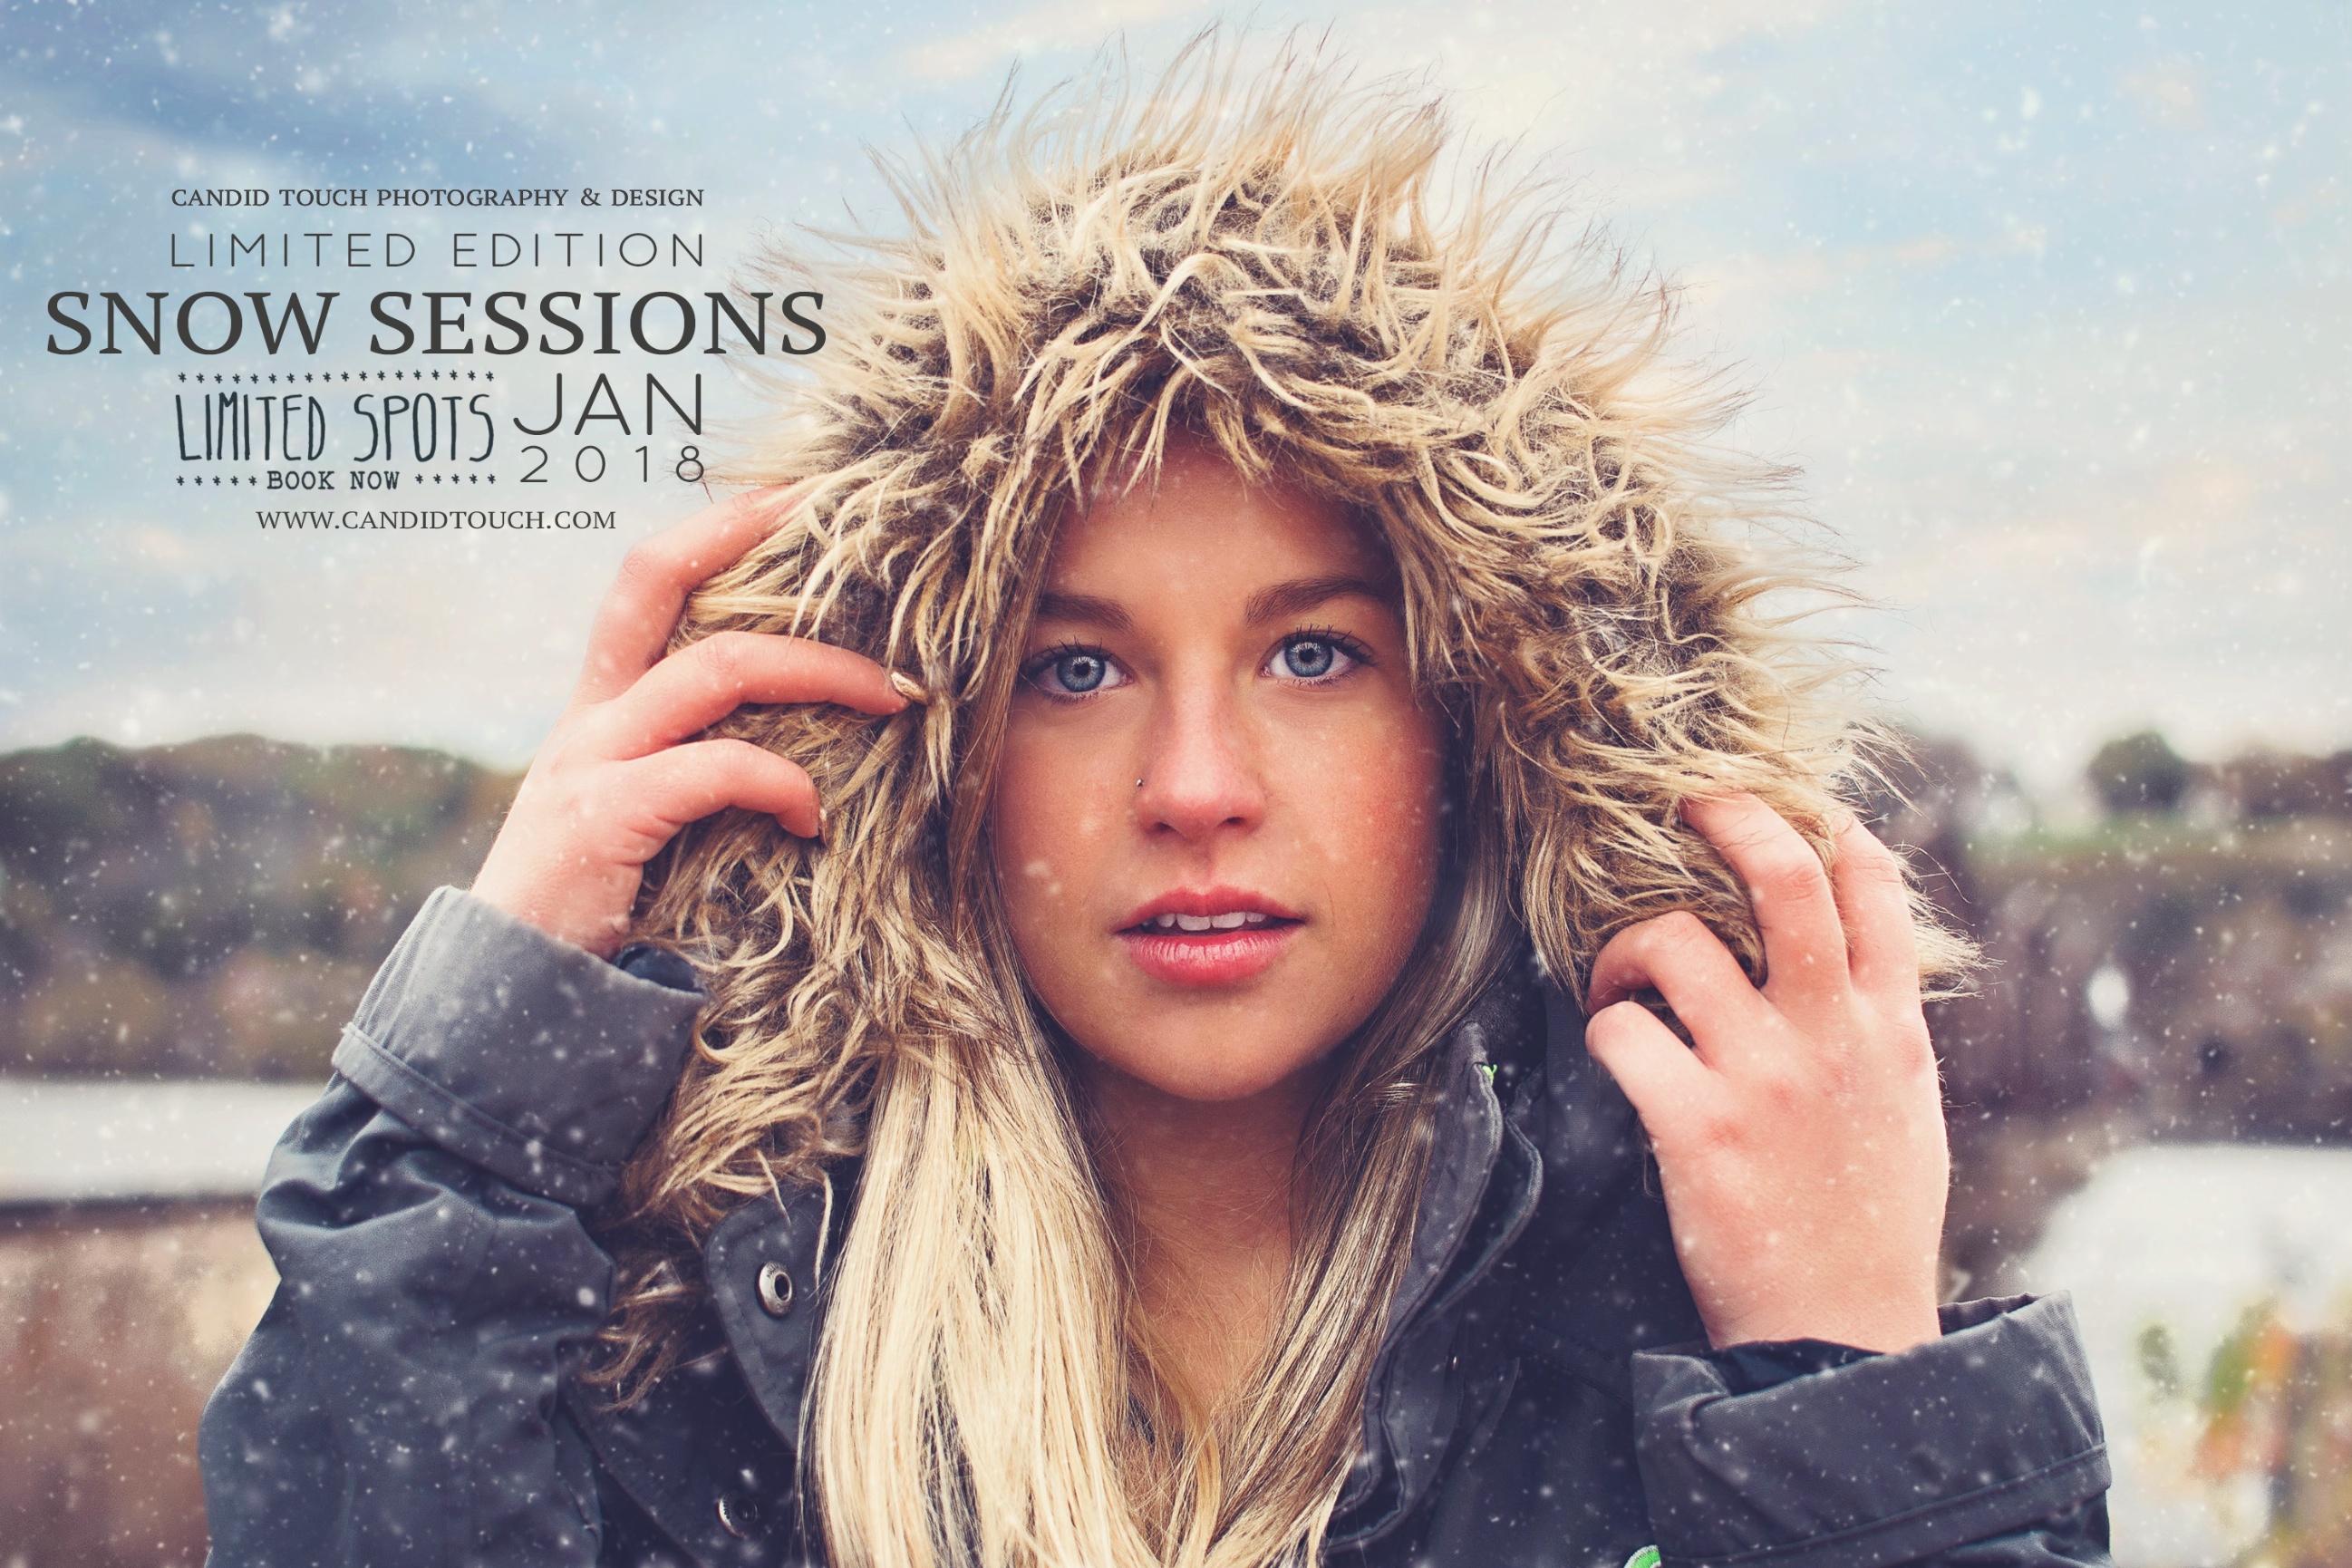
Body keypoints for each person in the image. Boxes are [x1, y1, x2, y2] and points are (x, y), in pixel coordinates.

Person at [199, 40, 2110, 1568]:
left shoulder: (1677, 1323)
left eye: (1312, 656)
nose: (1194, 790)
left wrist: (1847, 1371)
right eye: (1075, 665)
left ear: (1477, 718)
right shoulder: (696, 1318)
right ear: (932, 747)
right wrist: (476, 1091)